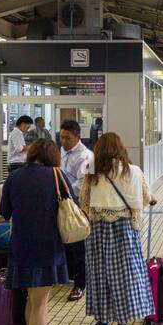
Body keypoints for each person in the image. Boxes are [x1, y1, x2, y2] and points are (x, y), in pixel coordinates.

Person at [0, 139, 72, 325]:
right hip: (47, 246)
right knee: (40, 302)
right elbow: (73, 205)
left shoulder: (15, 176)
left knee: (32, 298)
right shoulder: (56, 175)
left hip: (21, 245)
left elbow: (4, 211)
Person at [79, 132, 156, 325]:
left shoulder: (91, 173)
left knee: (100, 275)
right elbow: (146, 196)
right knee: (125, 277)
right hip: (124, 231)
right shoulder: (133, 171)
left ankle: (103, 323)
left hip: (98, 232)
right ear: (121, 149)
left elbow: (84, 203)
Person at [58, 120, 92, 302]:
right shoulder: (61, 151)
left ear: (77, 137)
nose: (63, 141)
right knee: (65, 243)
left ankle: (80, 283)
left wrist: (63, 189)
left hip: (76, 204)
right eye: (62, 137)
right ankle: (67, 276)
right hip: (61, 203)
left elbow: (83, 184)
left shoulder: (86, 156)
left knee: (77, 244)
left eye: (68, 138)